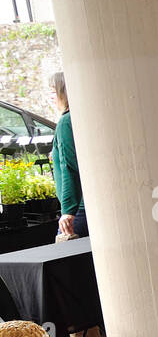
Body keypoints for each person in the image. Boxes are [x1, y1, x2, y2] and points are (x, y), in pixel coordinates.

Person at [50, 72, 87, 240]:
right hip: (87, 206)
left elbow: (69, 166)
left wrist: (67, 211)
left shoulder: (66, 122)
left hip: (79, 210)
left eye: (53, 91)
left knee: (62, 263)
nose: (50, 97)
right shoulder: (81, 118)